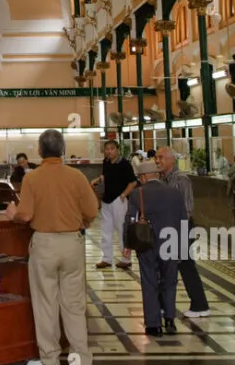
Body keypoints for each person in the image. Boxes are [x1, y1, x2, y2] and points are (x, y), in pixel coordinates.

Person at [6, 129, 99, 365]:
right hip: (72, 244)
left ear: (39, 150)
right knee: (74, 305)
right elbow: (92, 209)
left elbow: (25, 216)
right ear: (63, 149)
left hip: (44, 245)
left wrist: (12, 212)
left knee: (46, 303)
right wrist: (81, 220)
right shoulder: (76, 176)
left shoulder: (32, 178)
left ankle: (50, 363)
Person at [129, 160, 186, 337]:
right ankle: (170, 318)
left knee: (149, 281)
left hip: (147, 244)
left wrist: (127, 245)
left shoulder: (137, 194)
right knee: (170, 281)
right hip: (171, 243)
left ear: (144, 177)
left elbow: (130, 220)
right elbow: (183, 220)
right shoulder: (175, 193)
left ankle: (153, 325)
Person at [155, 146, 210, 318]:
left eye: (161, 157)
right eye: (156, 157)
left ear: (172, 159)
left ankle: (199, 305)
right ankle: (165, 304)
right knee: (171, 266)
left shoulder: (181, 179)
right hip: (170, 227)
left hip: (181, 228)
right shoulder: (163, 179)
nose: (157, 161)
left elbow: (187, 209)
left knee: (184, 266)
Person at [90, 139, 137, 270]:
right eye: (107, 149)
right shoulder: (106, 162)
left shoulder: (124, 164)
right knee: (106, 230)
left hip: (119, 200)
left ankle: (126, 259)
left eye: (112, 148)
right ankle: (106, 258)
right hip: (106, 200)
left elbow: (133, 182)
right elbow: (105, 175)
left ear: (117, 150)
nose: (109, 151)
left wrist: (123, 195)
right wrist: (98, 179)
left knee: (122, 229)